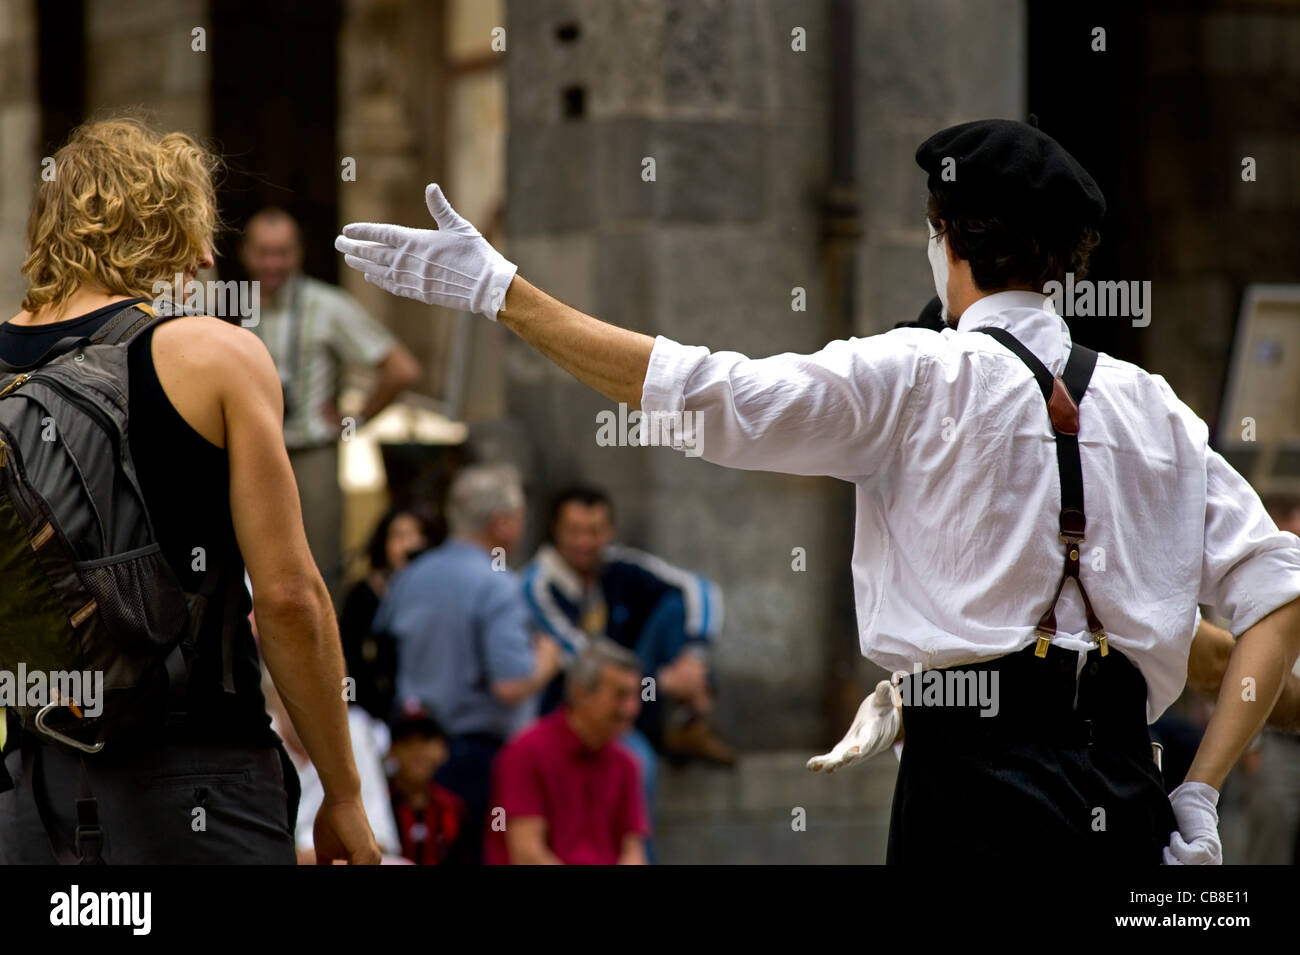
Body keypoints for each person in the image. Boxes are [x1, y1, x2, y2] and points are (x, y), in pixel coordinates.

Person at [337, 118, 1300, 865]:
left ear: (948, 240)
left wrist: (506, 292)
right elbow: (1278, 597)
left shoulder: (918, 371)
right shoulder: (1155, 407)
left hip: (973, 783)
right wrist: (1200, 795)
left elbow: (701, 388)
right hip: (1127, 785)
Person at [0, 117, 380, 864]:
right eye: (196, 232)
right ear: (160, 228)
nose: (209, 256)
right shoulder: (213, 355)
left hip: (31, 797)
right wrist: (343, 791)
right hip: (196, 789)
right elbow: (289, 597)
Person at [371, 463, 563, 862]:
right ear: (502, 524)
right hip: (478, 761)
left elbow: (382, 651)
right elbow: (510, 685)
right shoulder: (498, 585)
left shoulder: (411, 575)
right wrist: (546, 662)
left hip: (405, 756)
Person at [240, 207, 423, 604]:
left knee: (317, 577)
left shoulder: (327, 304)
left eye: (283, 252)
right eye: (264, 252)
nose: (273, 263)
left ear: (300, 253)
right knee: (249, 575)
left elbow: (402, 370)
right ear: (245, 253)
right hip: (248, 457)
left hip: (311, 454)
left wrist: (353, 422)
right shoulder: (230, 303)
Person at [485, 638, 649, 865]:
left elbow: (633, 850)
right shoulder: (525, 753)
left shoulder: (627, 764)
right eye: (620, 695)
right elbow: (526, 853)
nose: (632, 708)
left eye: (636, 696)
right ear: (581, 694)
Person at [338, 507, 443, 721]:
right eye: (399, 536)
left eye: (418, 536)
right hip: (374, 712)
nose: (409, 545)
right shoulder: (365, 594)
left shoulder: (442, 593)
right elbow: (348, 654)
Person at [386, 704, 469, 865]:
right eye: (406, 741)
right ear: (391, 750)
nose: (417, 750)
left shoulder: (454, 808)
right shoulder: (379, 804)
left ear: (443, 750)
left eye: (426, 740)